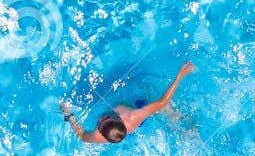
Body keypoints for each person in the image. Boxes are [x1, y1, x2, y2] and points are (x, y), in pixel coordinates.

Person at [63, 61, 196, 144]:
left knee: (162, 108)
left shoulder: (99, 136)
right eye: (105, 119)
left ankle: (187, 133)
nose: (100, 118)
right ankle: (190, 131)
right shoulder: (133, 115)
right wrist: (180, 76)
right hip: (138, 116)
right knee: (160, 104)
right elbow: (162, 102)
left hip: (132, 123)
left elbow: (81, 135)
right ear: (117, 118)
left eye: (100, 122)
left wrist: (68, 114)